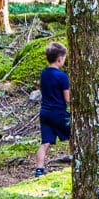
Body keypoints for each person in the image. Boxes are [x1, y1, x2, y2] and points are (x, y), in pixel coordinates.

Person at [35, 42, 70, 177]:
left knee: (45, 143)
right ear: (60, 58)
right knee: (75, 132)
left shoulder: (44, 73)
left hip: (45, 113)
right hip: (59, 113)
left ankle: (39, 170)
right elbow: (67, 99)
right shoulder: (62, 76)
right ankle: (77, 160)